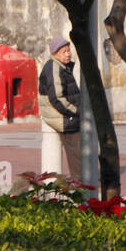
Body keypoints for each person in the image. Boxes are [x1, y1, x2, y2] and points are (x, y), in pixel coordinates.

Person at [39, 36, 81, 176]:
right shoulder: (54, 68)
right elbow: (57, 98)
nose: (68, 54)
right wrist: (76, 111)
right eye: (64, 51)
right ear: (55, 53)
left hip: (63, 115)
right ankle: (80, 183)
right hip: (63, 118)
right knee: (77, 154)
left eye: (69, 50)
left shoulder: (62, 67)